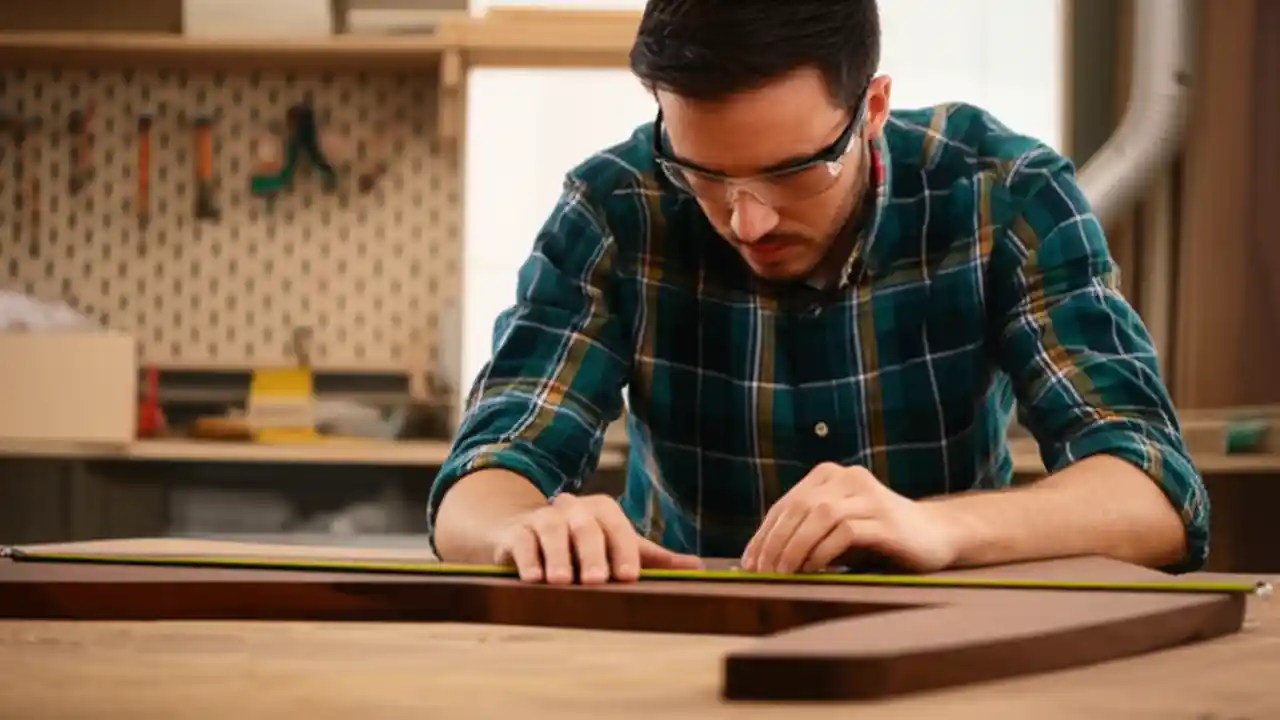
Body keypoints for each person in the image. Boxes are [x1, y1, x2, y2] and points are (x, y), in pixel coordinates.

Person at [427, 0, 1209, 584]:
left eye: (792, 171)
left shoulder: (1006, 194)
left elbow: (1155, 494)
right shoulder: (610, 209)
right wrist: (524, 528)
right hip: (681, 652)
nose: (747, 219)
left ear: (870, 110)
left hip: (949, 648)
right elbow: (481, 478)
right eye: (702, 173)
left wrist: (936, 529)